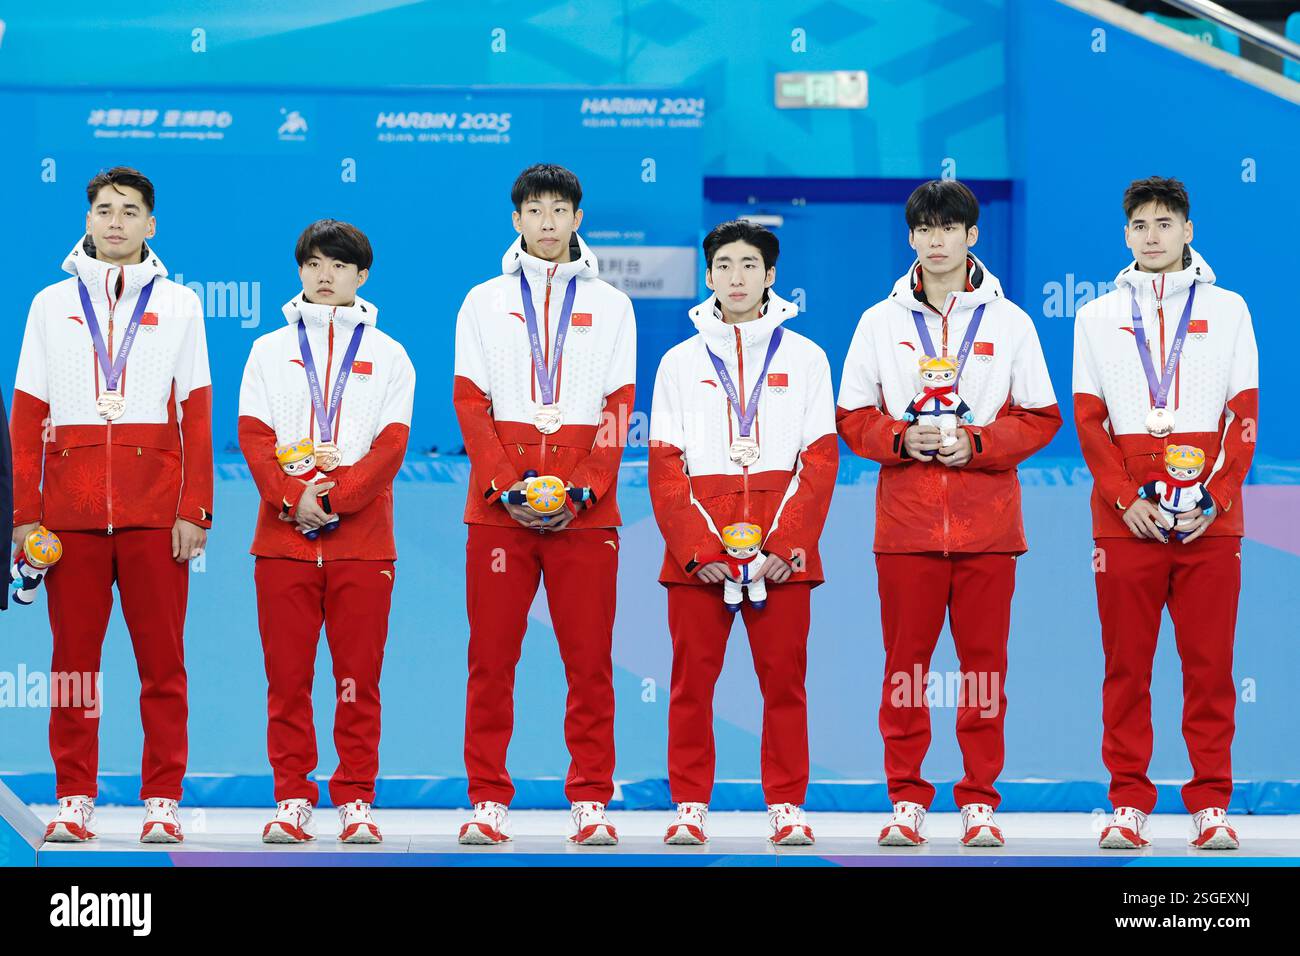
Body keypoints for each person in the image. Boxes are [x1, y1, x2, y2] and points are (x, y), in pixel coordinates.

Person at [837, 180, 1060, 847]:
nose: (936, 241)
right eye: (925, 229)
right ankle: (906, 798)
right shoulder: (879, 323)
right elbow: (851, 416)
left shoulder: (1010, 322)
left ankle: (979, 802)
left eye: (949, 228)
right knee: (906, 667)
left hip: (987, 528)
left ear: (973, 236)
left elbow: (1043, 417)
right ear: (911, 239)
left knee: (984, 669)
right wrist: (902, 439)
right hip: (905, 529)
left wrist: (981, 443)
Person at [10, 166, 213, 843]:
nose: (117, 221)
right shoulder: (48, 305)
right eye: (104, 209)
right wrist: (24, 514)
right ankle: (74, 798)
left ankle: (163, 799)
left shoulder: (181, 304)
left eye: (130, 211)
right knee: (72, 668)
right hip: (69, 516)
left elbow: (197, 413)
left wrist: (196, 508)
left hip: (157, 512)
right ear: (87, 220)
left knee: (164, 664)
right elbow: (26, 414)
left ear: (151, 225)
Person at [453, 164, 635, 845]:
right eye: (536, 210)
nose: (549, 222)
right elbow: (471, 404)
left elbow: (619, 408)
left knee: (589, 660)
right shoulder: (482, 302)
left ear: (578, 218)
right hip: (499, 508)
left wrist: (586, 488)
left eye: (561, 209)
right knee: (491, 659)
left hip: (587, 512)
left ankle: (590, 800)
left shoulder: (613, 305)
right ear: (517, 219)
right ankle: (487, 801)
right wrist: (506, 487)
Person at [1073, 176, 1257, 850]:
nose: (1152, 235)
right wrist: (1126, 500)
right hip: (1126, 520)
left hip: (1211, 518)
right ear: (1126, 235)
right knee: (1127, 666)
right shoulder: (1096, 316)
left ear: (1188, 230)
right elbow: (1089, 421)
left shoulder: (1231, 309)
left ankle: (1211, 804)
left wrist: (1218, 495)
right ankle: (1129, 804)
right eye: (1140, 225)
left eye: (1164, 223)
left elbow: (1243, 414)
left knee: (1208, 665)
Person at [649, 219, 838, 846]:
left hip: (784, 557)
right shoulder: (678, 361)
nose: (736, 277)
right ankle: (689, 807)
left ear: (771, 276)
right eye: (724, 265)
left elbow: (820, 460)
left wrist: (785, 547)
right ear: (708, 276)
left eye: (749, 265)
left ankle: (786, 806)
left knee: (784, 684)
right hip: (697, 556)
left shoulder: (807, 358)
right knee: (690, 684)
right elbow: (665, 465)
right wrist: (698, 550)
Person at [238, 219, 415, 844]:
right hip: (282, 541)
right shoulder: (267, 350)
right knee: (286, 680)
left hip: (362, 545)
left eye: (338, 265)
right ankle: (291, 799)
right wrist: (293, 498)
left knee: (357, 680)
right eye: (313, 263)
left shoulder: (389, 354)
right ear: (299, 271)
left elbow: (392, 446)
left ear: (361, 276)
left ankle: (356, 800)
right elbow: (254, 437)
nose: (324, 274)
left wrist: (335, 499)